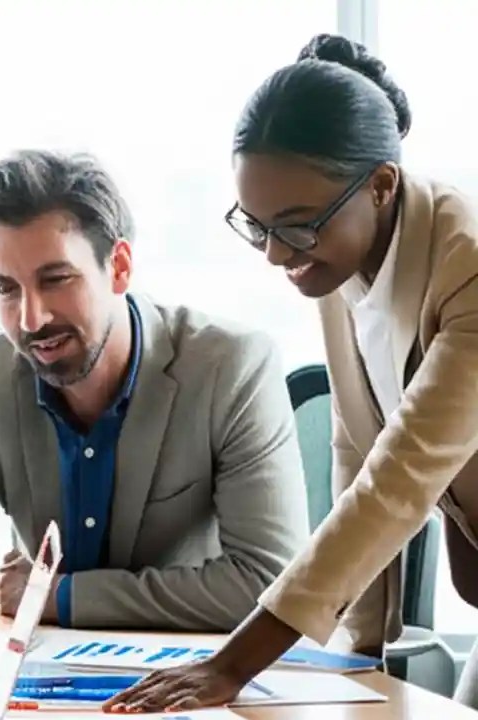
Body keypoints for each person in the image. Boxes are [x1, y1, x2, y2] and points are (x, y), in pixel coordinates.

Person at [103, 33, 478, 714]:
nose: (276, 253)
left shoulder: (469, 264)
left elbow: (400, 479)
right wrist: (354, 662)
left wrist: (233, 665)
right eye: (259, 225)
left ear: (381, 185)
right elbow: (356, 452)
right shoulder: (342, 263)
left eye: (298, 226)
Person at [0, 149, 309, 674]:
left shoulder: (230, 367)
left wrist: (62, 596)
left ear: (119, 267)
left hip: (196, 683)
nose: (32, 318)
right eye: (6, 289)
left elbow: (269, 583)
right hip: (40, 683)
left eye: (56, 279)